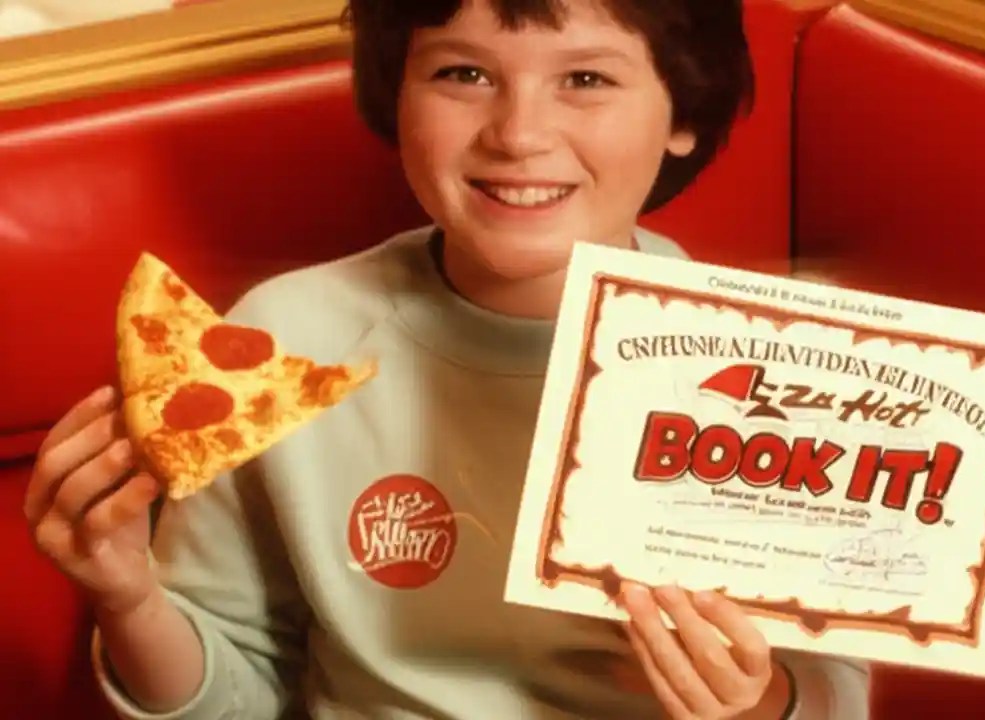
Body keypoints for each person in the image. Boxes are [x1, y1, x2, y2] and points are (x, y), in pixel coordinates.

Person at [23, 0, 871, 717]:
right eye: (463, 74)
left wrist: (754, 700)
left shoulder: (785, 377)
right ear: (397, 96)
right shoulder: (284, 345)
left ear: (682, 111)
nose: (519, 134)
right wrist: (129, 594)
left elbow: (833, 689)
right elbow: (238, 690)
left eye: (586, 79)